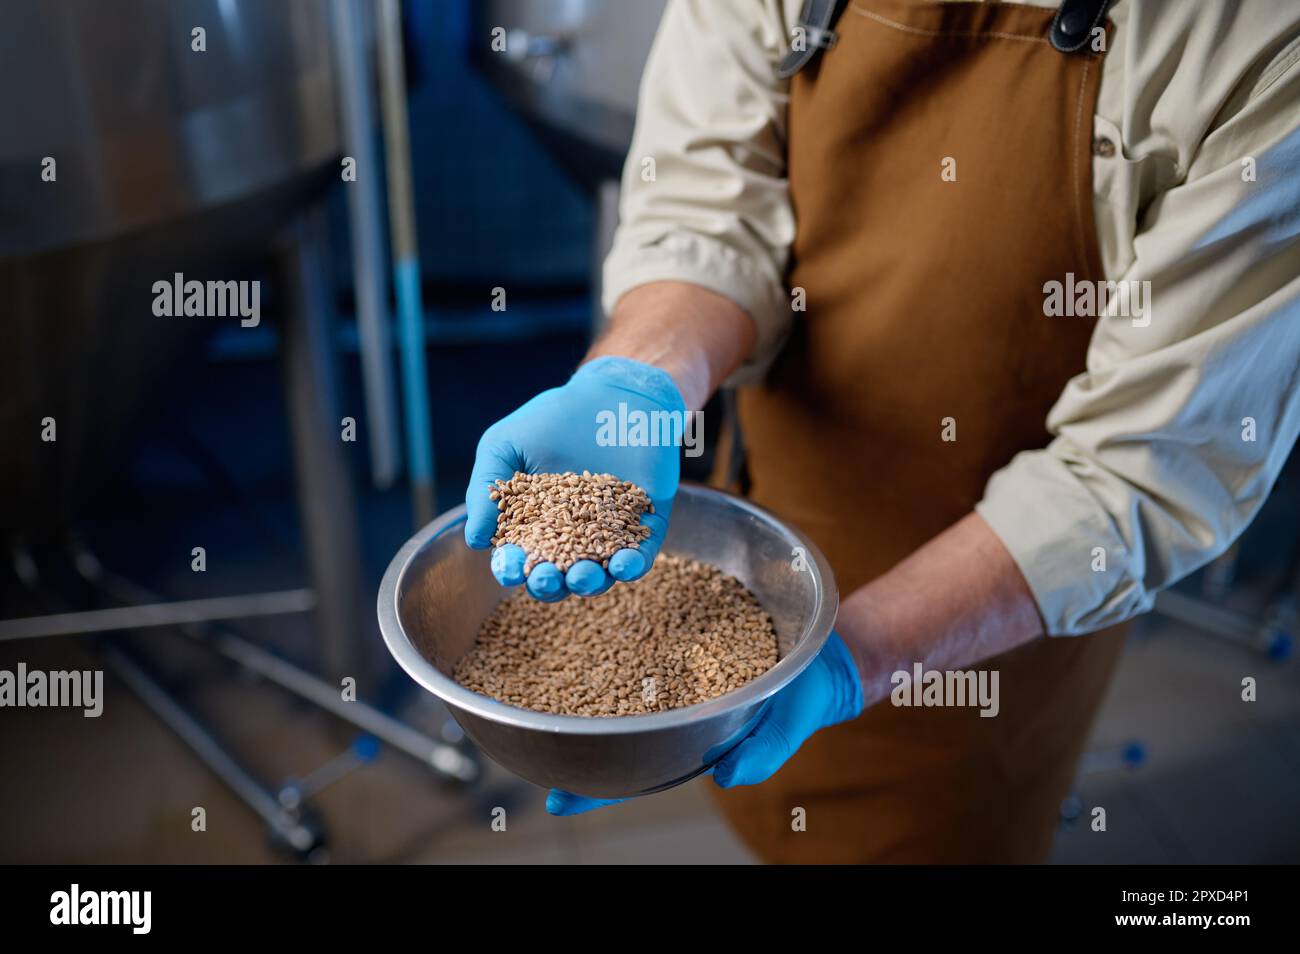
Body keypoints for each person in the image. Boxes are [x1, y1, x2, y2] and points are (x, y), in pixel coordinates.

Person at [464, 0, 1300, 862]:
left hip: (993, 610)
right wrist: (636, 383)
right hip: (777, 510)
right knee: (767, 813)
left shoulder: (1258, 41)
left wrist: (847, 662)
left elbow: (1144, 463)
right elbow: (704, 208)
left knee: (941, 830)